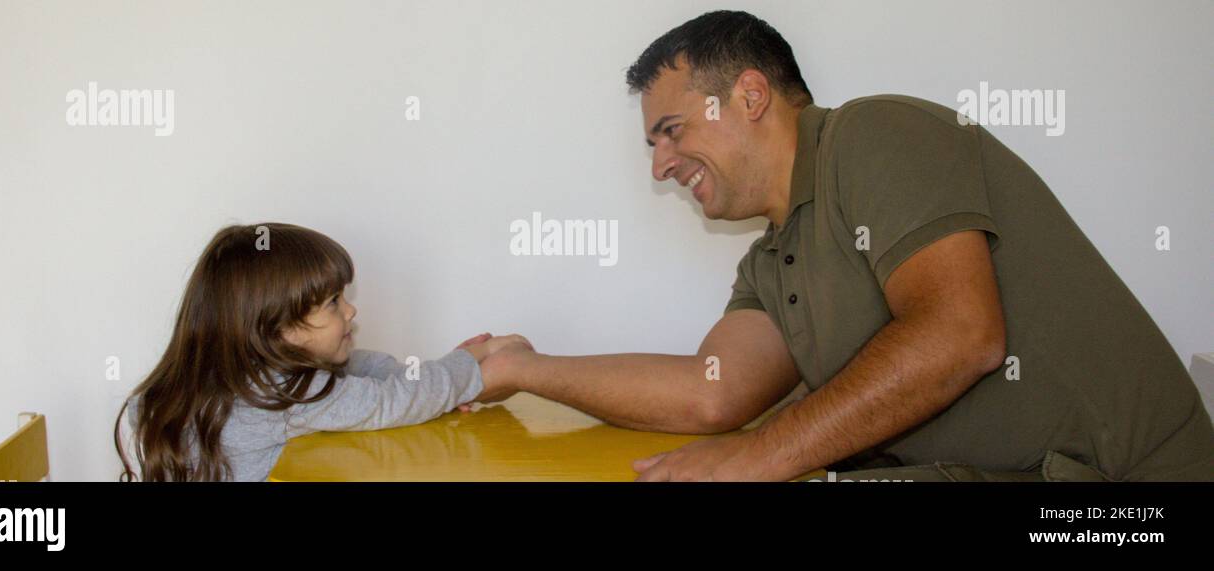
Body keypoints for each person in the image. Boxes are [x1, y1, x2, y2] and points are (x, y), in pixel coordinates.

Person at [475, 10, 1214, 481]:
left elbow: (962, 334)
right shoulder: (772, 258)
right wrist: (525, 367)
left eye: (671, 133)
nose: (661, 165)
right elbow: (709, 394)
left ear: (750, 96)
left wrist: (761, 455)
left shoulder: (874, 135)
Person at [114, 222, 526, 481]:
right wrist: (476, 362)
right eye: (333, 303)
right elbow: (393, 403)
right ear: (277, 331)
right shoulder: (286, 396)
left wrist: (424, 375)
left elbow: (360, 369)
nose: (351, 310)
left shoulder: (207, 379)